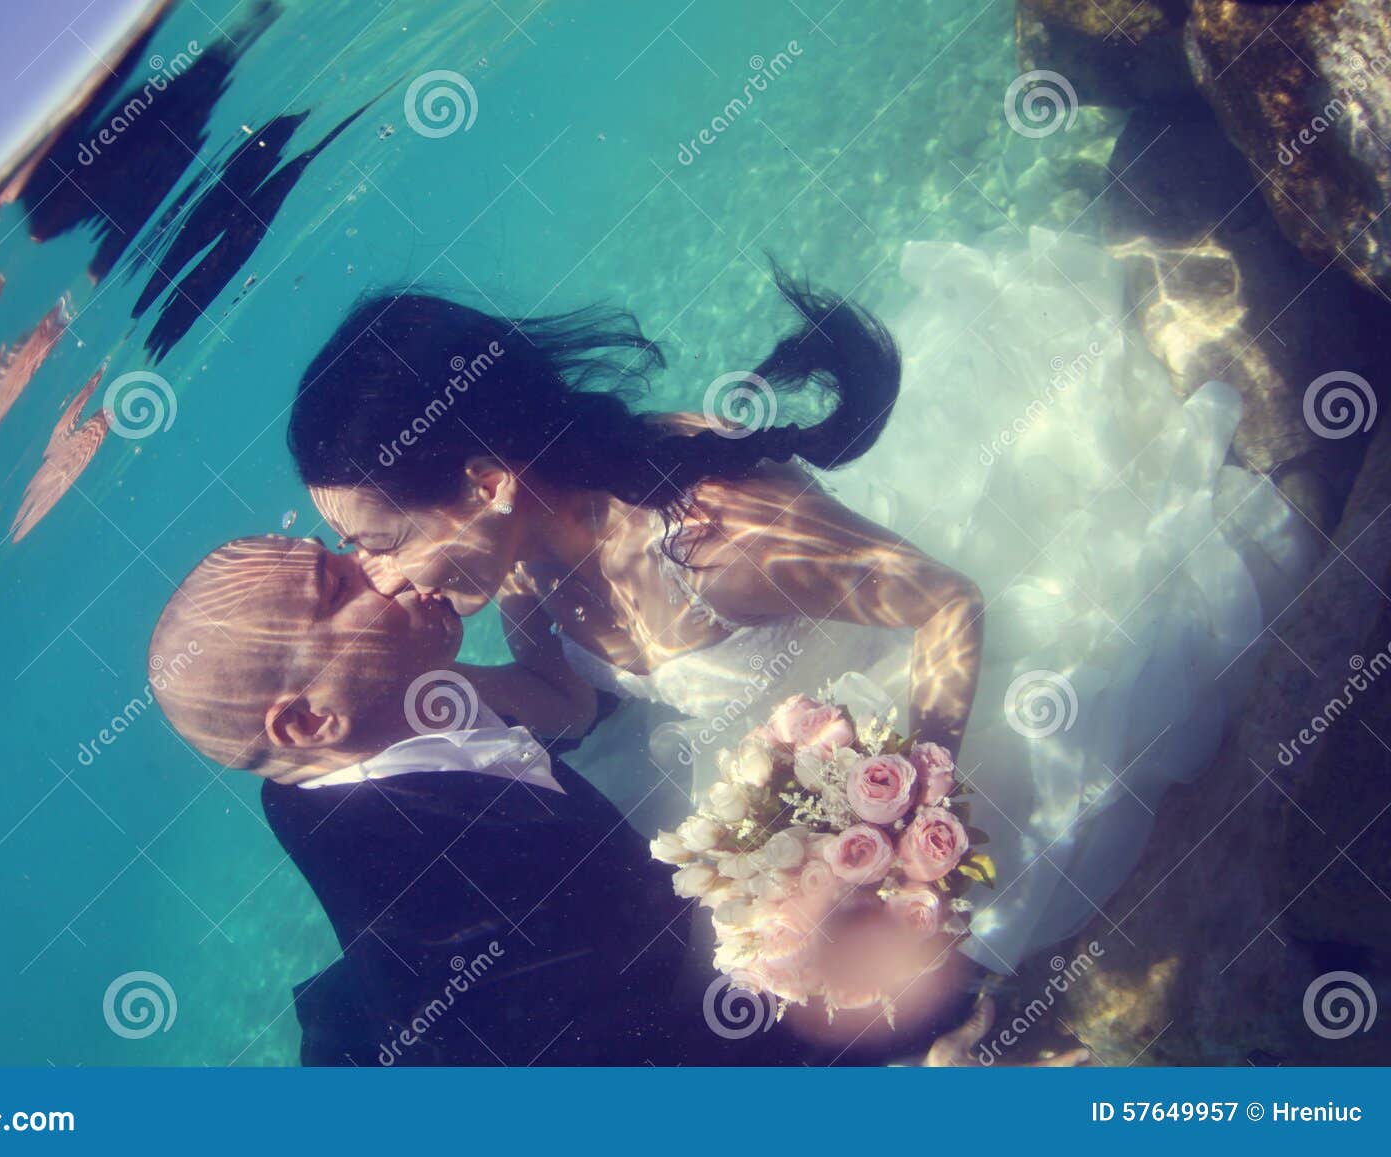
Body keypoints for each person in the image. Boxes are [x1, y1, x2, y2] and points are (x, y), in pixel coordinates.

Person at [285, 239, 1315, 979]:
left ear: (482, 482)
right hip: (763, 757)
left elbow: (949, 603)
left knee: (976, 920)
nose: (378, 575)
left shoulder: (719, 535)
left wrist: (912, 797)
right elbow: (562, 698)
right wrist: (434, 685)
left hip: (913, 708)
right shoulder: (517, 561)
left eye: (378, 541)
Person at [147, 535, 787, 1064]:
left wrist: (509, 544)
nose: (383, 563)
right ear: (311, 724)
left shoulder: (385, 710)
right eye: (341, 589)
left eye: (339, 551)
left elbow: (565, 704)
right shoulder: (458, 918)